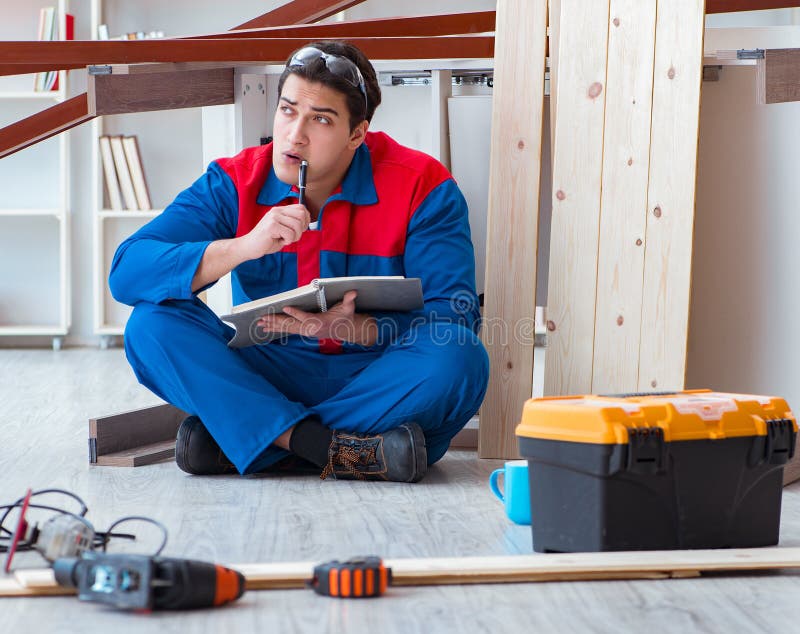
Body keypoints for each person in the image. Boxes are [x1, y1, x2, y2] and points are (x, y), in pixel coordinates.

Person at [109, 40, 489, 482]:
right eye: (288, 110)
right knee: (150, 326)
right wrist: (243, 246)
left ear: (357, 134)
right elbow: (128, 271)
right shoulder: (234, 180)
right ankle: (341, 450)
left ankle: (255, 438)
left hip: (375, 374)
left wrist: (359, 329)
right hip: (267, 374)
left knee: (460, 356)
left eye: (320, 120)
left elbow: (453, 318)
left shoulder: (423, 185)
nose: (294, 135)